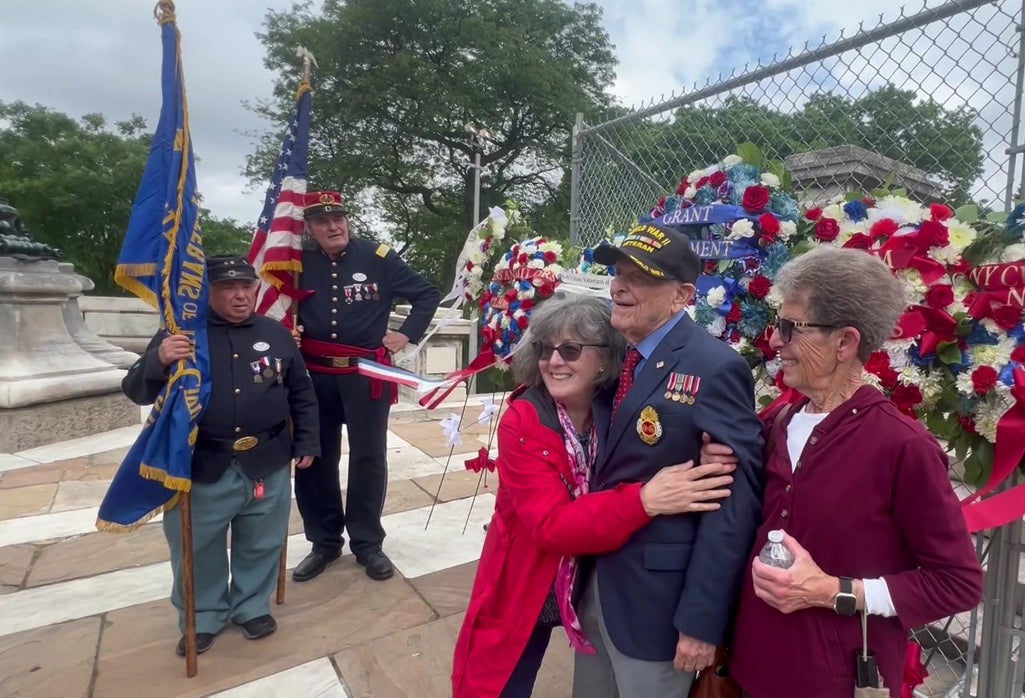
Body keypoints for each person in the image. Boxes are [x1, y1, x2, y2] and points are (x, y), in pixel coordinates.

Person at [701, 246, 985, 697]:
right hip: (750, 670)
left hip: (834, 681)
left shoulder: (902, 446)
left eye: (792, 328)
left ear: (845, 342)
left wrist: (835, 591)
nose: (776, 341)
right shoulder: (776, 423)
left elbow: (958, 583)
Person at [452, 295, 740, 698]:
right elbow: (552, 525)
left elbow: (656, 445)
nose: (554, 361)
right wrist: (644, 501)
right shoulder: (525, 420)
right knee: (497, 683)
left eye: (570, 350)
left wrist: (704, 453)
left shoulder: (616, 408)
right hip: (528, 576)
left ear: (604, 359)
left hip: (591, 581)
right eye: (544, 349)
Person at [570, 224, 765, 698]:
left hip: (658, 607)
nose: (619, 286)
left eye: (639, 277)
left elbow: (733, 507)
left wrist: (701, 622)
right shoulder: (617, 355)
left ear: (681, 295)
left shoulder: (715, 366)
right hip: (594, 585)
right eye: (618, 273)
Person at [121, 256, 319, 656]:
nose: (241, 295)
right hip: (202, 464)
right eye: (229, 288)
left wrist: (309, 442)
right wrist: (159, 360)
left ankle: (251, 606)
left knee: (262, 540)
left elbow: (300, 391)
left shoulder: (275, 334)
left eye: (246, 287)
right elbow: (136, 390)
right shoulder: (180, 334)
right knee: (197, 546)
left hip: (267, 458)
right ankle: (205, 615)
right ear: (207, 291)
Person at [291, 190, 440, 583]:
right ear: (310, 228)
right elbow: (275, 302)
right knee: (315, 457)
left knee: (368, 458)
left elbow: (427, 294)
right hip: (314, 375)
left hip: (364, 377)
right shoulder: (297, 262)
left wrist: (406, 334)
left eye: (338, 218)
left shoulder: (378, 257)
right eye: (322, 221)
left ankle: (367, 542)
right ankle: (323, 542)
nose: (332, 226)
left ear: (347, 221)